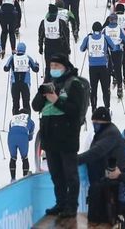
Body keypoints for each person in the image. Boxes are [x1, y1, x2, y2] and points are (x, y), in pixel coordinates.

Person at [31, 52, 88, 219]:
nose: (53, 69)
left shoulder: (73, 84)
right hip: (49, 137)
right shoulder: (49, 83)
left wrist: (57, 100)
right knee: (56, 174)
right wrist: (43, 94)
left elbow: (74, 110)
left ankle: (71, 205)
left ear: (65, 67)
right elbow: (35, 106)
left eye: (57, 66)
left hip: (67, 136)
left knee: (70, 174)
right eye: (51, 66)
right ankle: (60, 202)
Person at [78, 106, 125, 224]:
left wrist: (74, 160)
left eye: (96, 123)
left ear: (104, 122)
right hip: (102, 184)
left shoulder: (111, 134)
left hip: (110, 186)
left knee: (105, 220)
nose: (94, 125)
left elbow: (96, 152)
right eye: (93, 123)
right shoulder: (103, 133)